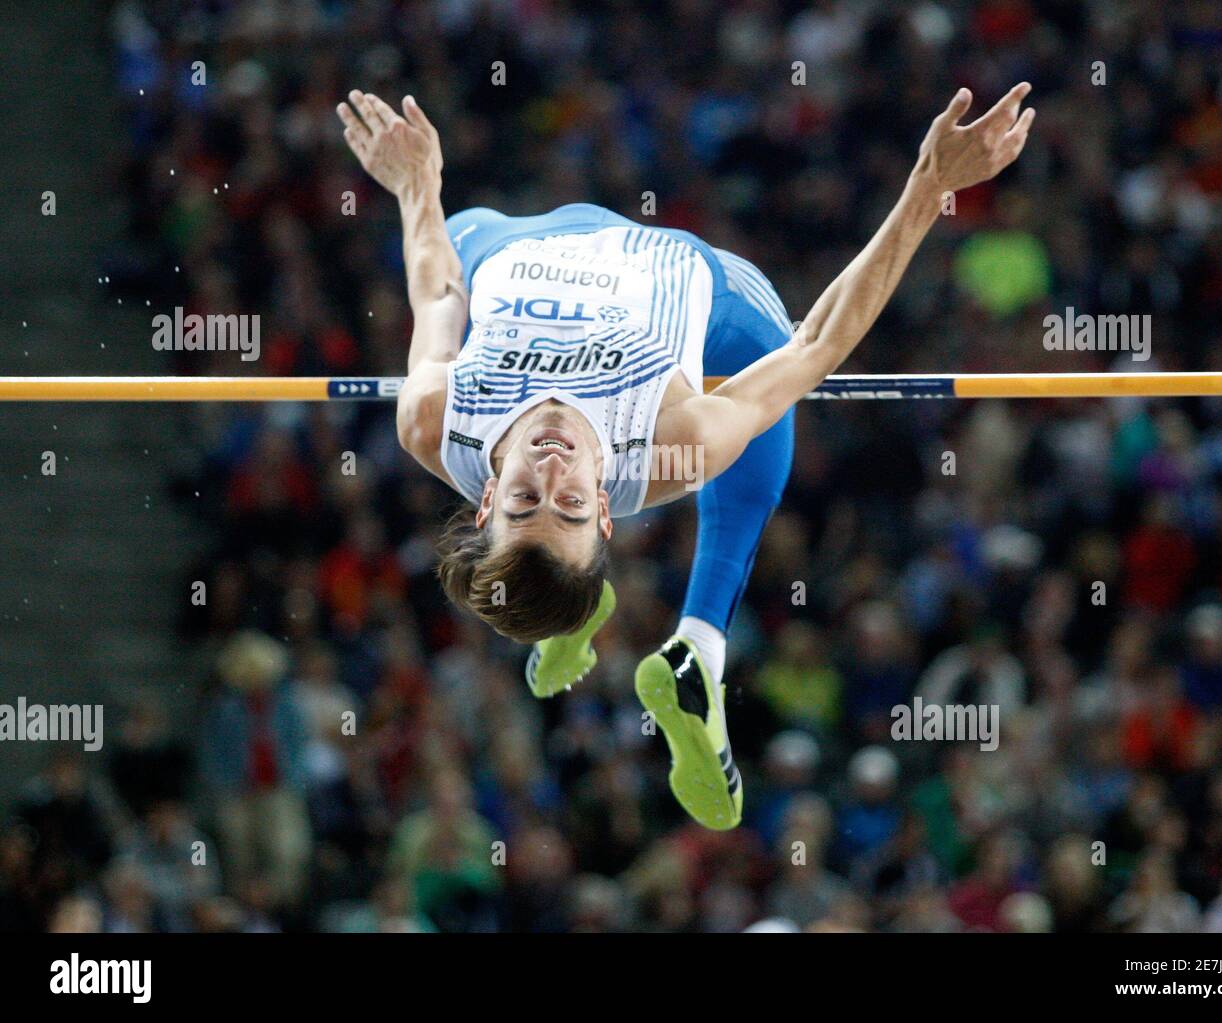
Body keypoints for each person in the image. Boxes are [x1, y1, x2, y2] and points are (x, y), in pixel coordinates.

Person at [335, 84, 1035, 830]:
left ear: (483, 501)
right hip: (683, 268)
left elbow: (438, 289)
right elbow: (818, 345)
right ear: (604, 509)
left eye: (523, 502)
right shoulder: (668, 439)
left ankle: (579, 612)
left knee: (456, 227)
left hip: (510, 237)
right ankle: (700, 643)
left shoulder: (437, 419)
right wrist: (928, 186)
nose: (551, 471)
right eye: (570, 503)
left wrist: (418, 182)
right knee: (769, 373)